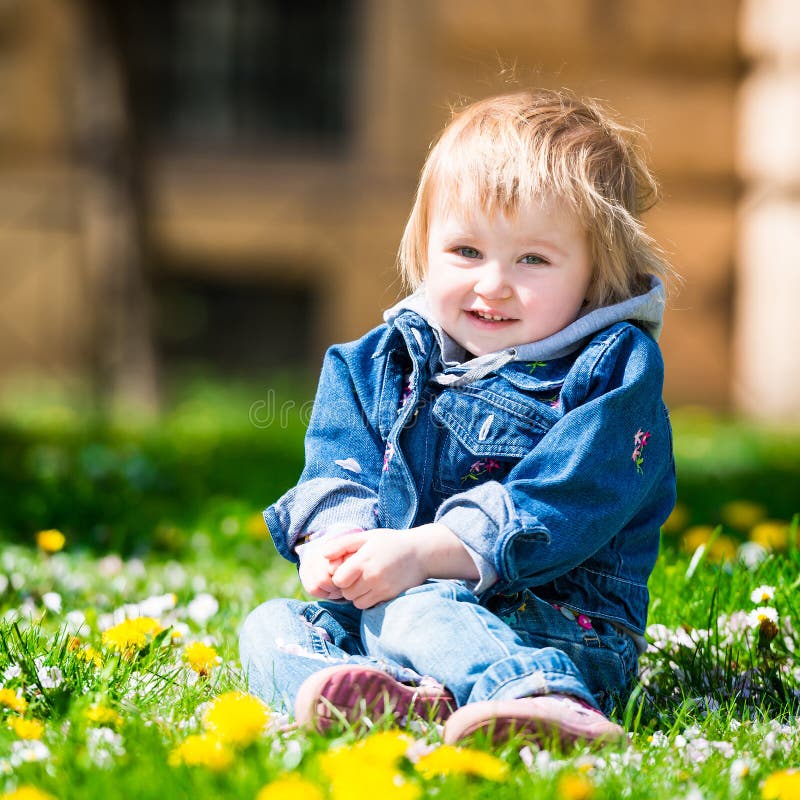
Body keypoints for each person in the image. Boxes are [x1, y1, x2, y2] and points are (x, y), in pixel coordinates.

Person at [239, 88, 677, 746]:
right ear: (425, 247)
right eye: (466, 252)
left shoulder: (612, 368)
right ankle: (387, 700)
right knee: (271, 623)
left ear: (595, 270)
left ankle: (544, 697)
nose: (492, 284)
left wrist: (422, 554)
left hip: (554, 626)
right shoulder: (376, 362)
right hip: (395, 617)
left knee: (414, 606)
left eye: (532, 259)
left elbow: (563, 502)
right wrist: (335, 546)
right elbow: (339, 463)